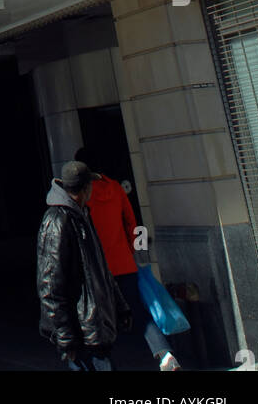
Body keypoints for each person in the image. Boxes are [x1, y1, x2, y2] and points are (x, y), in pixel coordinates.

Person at [74, 147, 181, 372]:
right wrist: (131, 250)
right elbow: (131, 222)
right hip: (124, 263)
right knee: (139, 311)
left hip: (98, 268)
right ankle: (165, 354)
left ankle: (105, 365)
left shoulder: (82, 195)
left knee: (98, 318)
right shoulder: (115, 187)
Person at [37, 159, 133, 371]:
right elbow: (50, 285)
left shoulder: (82, 214)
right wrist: (64, 336)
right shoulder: (57, 220)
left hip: (93, 326)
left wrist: (120, 306)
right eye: (91, 185)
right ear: (85, 188)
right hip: (80, 330)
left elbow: (100, 269)